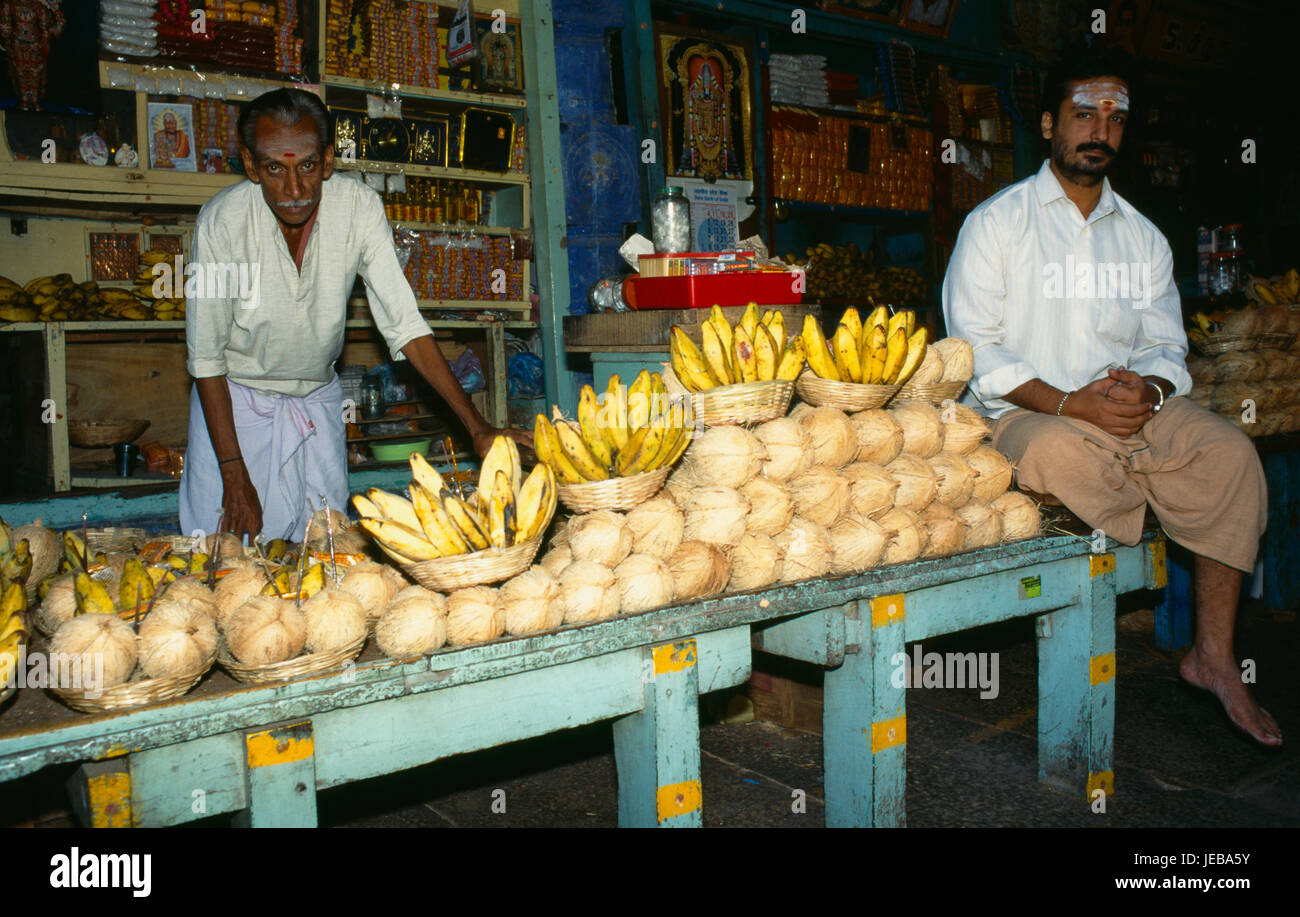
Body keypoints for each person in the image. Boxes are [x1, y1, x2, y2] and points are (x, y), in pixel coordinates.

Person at [941, 49, 1281, 746]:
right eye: (1084, 112)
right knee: (1062, 455)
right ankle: (1155, 492)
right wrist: (1071, 402)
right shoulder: (996, 225)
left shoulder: (1145, 239)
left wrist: (1149, 388)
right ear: (1047, 123)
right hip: (1033, 413)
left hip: (1133, 415)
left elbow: (1165, 346)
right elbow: (976, 350)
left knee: (1231, 454)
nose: (1100, 128)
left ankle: (1213, 655)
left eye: (1115, 116)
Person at [180, 88, 531, 545]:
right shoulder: (220, 224)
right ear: (250, 165)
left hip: (315, 403)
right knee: (223, 560)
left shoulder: (359, 209)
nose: (294, 189)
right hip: (235, 408)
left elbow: (405, 325)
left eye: (306, 165)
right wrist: (234, 474)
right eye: (274, 168)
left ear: (327, 161)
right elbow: (206, 359)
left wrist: (478, 429)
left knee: (328, 551)